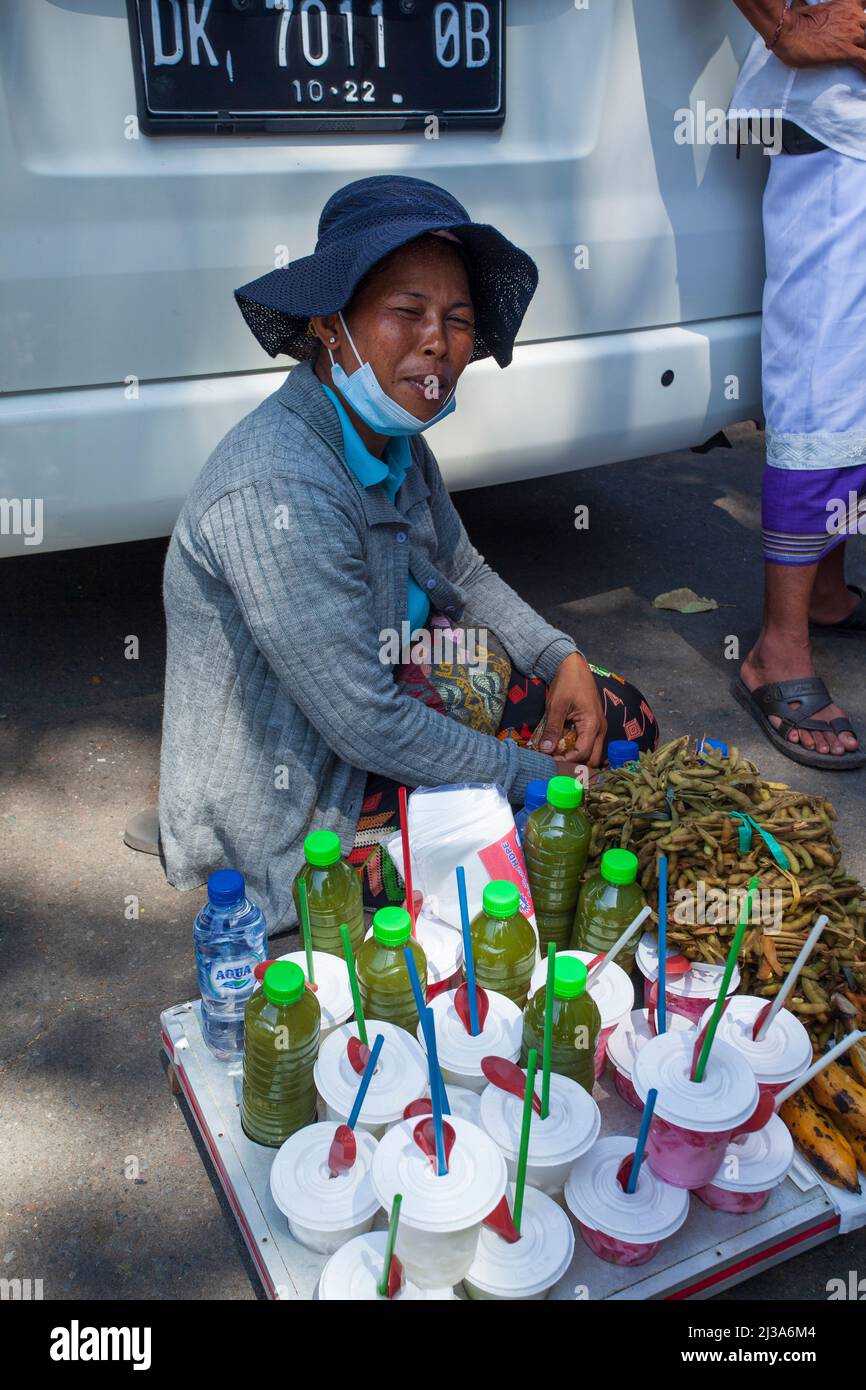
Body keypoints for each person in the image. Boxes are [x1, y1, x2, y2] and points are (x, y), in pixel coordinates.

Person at [134, 175, 657, 929]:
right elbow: (364, 725)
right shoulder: (278, 483)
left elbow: (463, 570)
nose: (437, 343)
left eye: (456, 319)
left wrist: (560, 656)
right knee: (503, 851)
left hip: (390, 700)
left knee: (619, 721)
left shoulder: (396, 441)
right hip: (306, 801)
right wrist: (534, 777)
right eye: (406, 313)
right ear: (328, 322)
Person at [729, 0, 866, 768]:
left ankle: (825, 591)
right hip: (832, 115)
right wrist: (783, 27)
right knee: (822, 389)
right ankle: (776, 653)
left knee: (856, 391)